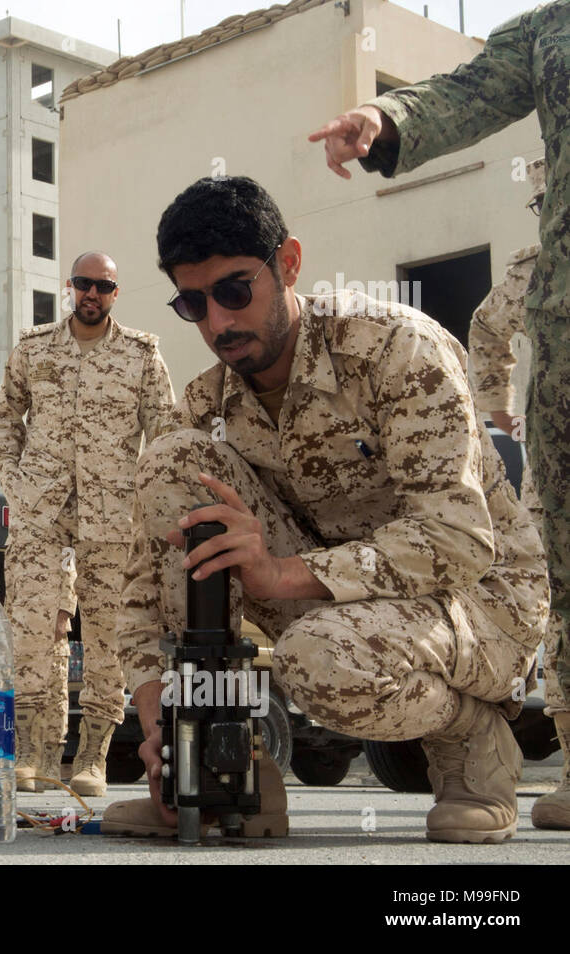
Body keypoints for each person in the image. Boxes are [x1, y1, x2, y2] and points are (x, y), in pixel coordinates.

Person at [102, 176, 548, 843]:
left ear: (289, 263)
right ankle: (228, 774)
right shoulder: (205, 405)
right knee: (171, 461)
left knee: (316, 658)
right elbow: (143, 585)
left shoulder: (395, 349)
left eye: (234, 290)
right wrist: (163, 723)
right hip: (338, 602)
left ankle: (471, 736)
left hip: (480, 601)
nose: (218, 322)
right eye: (193, 302)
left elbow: (459, 538)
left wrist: (283, 575)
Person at [309, 3, 570, 829]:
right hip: (567, 336)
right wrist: (383, 117)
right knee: (567, 550)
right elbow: (470, 89)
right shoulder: (552, 26)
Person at [0, 252, 172, 796]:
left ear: (116, 293)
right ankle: (35, 753)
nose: (93, 293)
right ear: (70, 286)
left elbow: (164, 432)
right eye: (85, 283)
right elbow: (5, 416)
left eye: (105, 286)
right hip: (40, 513)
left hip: (114, 516)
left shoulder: (142, 355)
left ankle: (91, 757)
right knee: (31, 628)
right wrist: (17, 484)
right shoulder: (34, 347)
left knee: (107, 635)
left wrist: (149, 504)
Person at [468, 159, 569, 828]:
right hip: (552, 482)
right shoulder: (534, 274)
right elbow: (485, 330)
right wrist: (494, 411)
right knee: (554, 616)